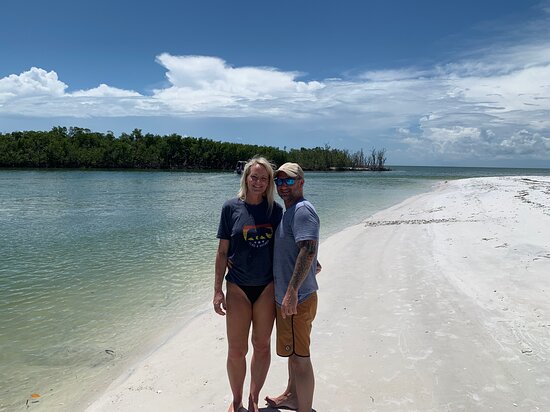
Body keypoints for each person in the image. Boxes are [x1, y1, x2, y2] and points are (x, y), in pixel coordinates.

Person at [213, 156, 284, 412]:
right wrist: (216, 291)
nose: (258, 182)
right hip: (238, 288)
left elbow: (285, 246)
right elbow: (222, 252)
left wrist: (310, 262)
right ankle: (236, 400)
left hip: (266, 287)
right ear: (246, 178)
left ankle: (254, 398)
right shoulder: (230, 208)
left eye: (264, 178)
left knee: (262, 346)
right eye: (254, 177)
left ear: (269, 183)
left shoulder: (275, 211)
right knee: (236, 350)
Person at [266, 162, 320, 412]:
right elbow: (304, 247)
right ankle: (291, 395)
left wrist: (291, 292)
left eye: (288, 181)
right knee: (293, 354)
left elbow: (308, 248)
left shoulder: (301, 210)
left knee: (300, 358)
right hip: (289, 296)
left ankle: (305, 408)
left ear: (301, 182)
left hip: (297, 298)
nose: (283, 186)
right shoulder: (289, 211)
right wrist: (312, 262)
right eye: (279, 181)